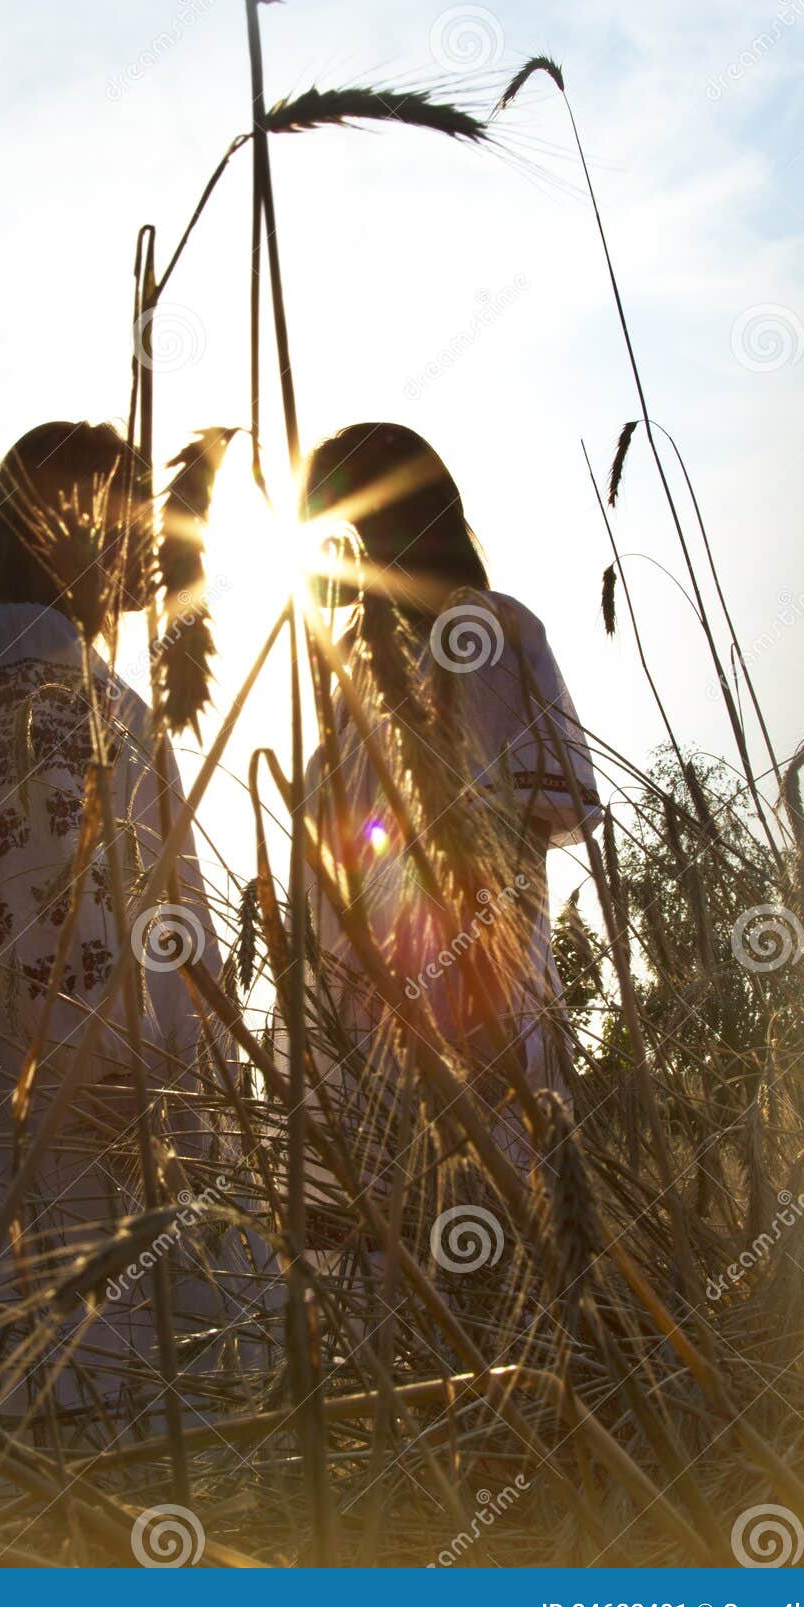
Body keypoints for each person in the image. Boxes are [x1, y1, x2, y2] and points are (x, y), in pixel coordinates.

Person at [0, 420, 273, 1439]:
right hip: (98, 1090)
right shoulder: (24, 655)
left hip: (122, 1074)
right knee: (114, 1364)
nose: (146, 538)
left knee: (138, 1375)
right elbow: (39, 877)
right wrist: (116, 1059)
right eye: (122, 511)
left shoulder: (47, 655)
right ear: (61, 525)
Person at [296, 422, 601, 1258]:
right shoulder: (345, 679)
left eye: (341, 531)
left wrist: (484, 995)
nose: (328, 560)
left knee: (493, 1245)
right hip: (360, 1023)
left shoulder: (490, 634)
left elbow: (529, 828)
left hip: (475, 1009)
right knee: (383, 1264)